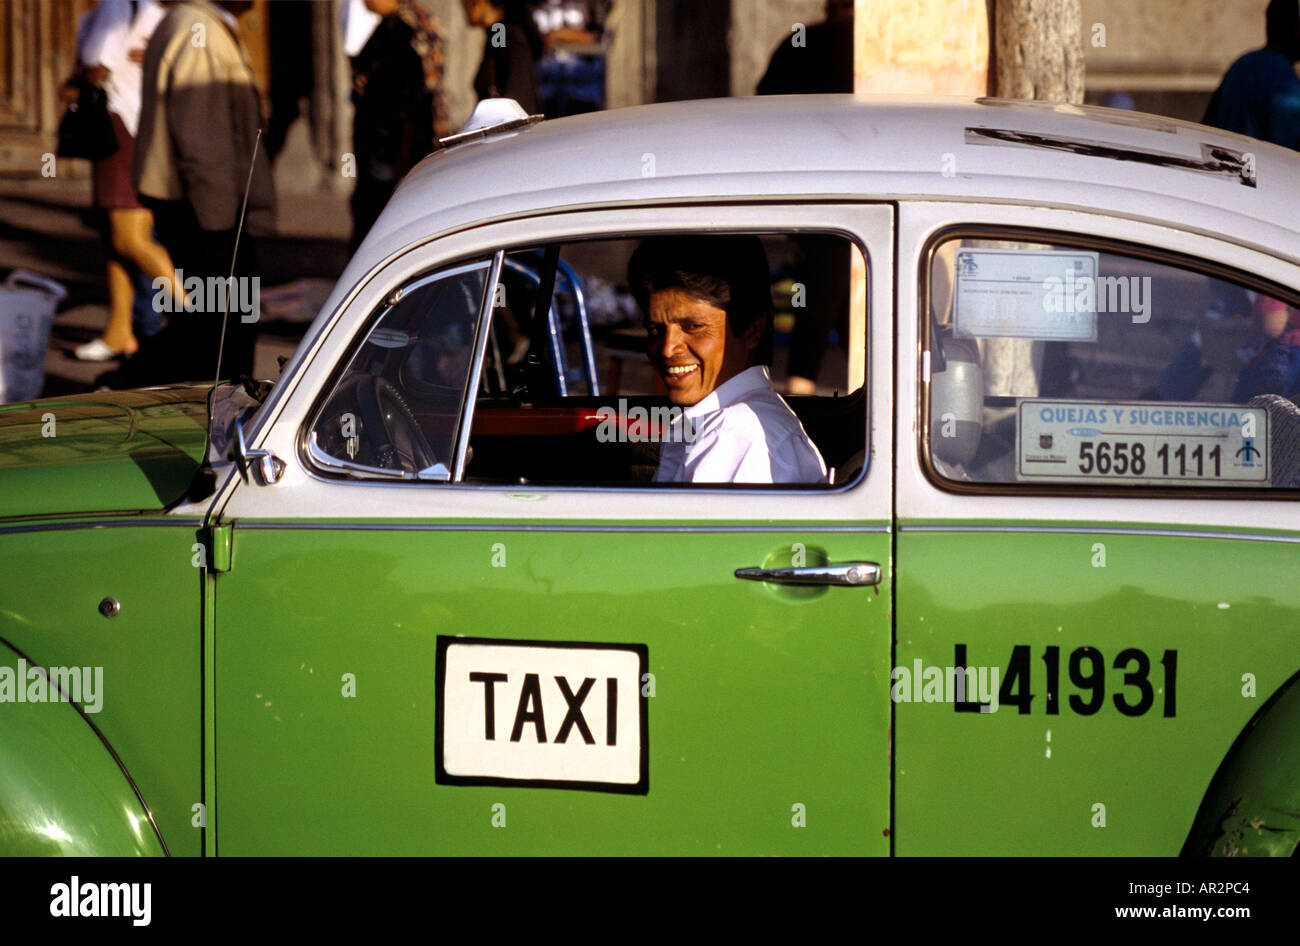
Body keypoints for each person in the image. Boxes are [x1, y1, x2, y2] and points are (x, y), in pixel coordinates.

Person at [114, 0, 275, 388]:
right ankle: (205, 428)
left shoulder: (200, 25)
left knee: (204, 331)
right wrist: (220, 233)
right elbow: (205, 147)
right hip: (206, 217)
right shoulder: (196, 31)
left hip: (204, 213)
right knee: (217, 346)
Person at [627, 236, 827, 484]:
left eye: (693, 326)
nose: (668, 349)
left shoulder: (734, 437)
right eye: (655, 330)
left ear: (752, 331)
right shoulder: (728, 426)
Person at [65, 0, 183, 362]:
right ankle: (120, 330)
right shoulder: (156, 9)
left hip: (122, 127)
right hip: (135, 127)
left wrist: (76, 82)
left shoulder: (118, 5)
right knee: (114, 239)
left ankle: (197, 311)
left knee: (128, 237)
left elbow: (98, 62)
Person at [756, 0, 854, 394]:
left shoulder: (803, 40)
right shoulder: (878, 50)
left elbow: (764, 101)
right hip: (863, 183)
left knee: (823, 288)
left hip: (809, 184)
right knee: (839, 291)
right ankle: (808, 392)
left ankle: (803, 392)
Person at [349, 0, 449, 252]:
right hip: (388, 150)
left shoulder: (407, 27)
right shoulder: (396, 23)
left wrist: (402, 158)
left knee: (385, 233)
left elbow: (412, 99)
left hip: (398, 152)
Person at [1202, 0, 1300, 148]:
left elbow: (1207, 124)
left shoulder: (1241, 64)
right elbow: (1290, 144)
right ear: (1294, 31)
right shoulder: (1283, 78)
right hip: (1261, 167)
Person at [462, 0, 543, 114]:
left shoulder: (500, 33)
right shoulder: (497, 32)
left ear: (478, 2)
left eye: (465, 2)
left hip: (509, 126)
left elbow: (516, 91)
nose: (464, 8)